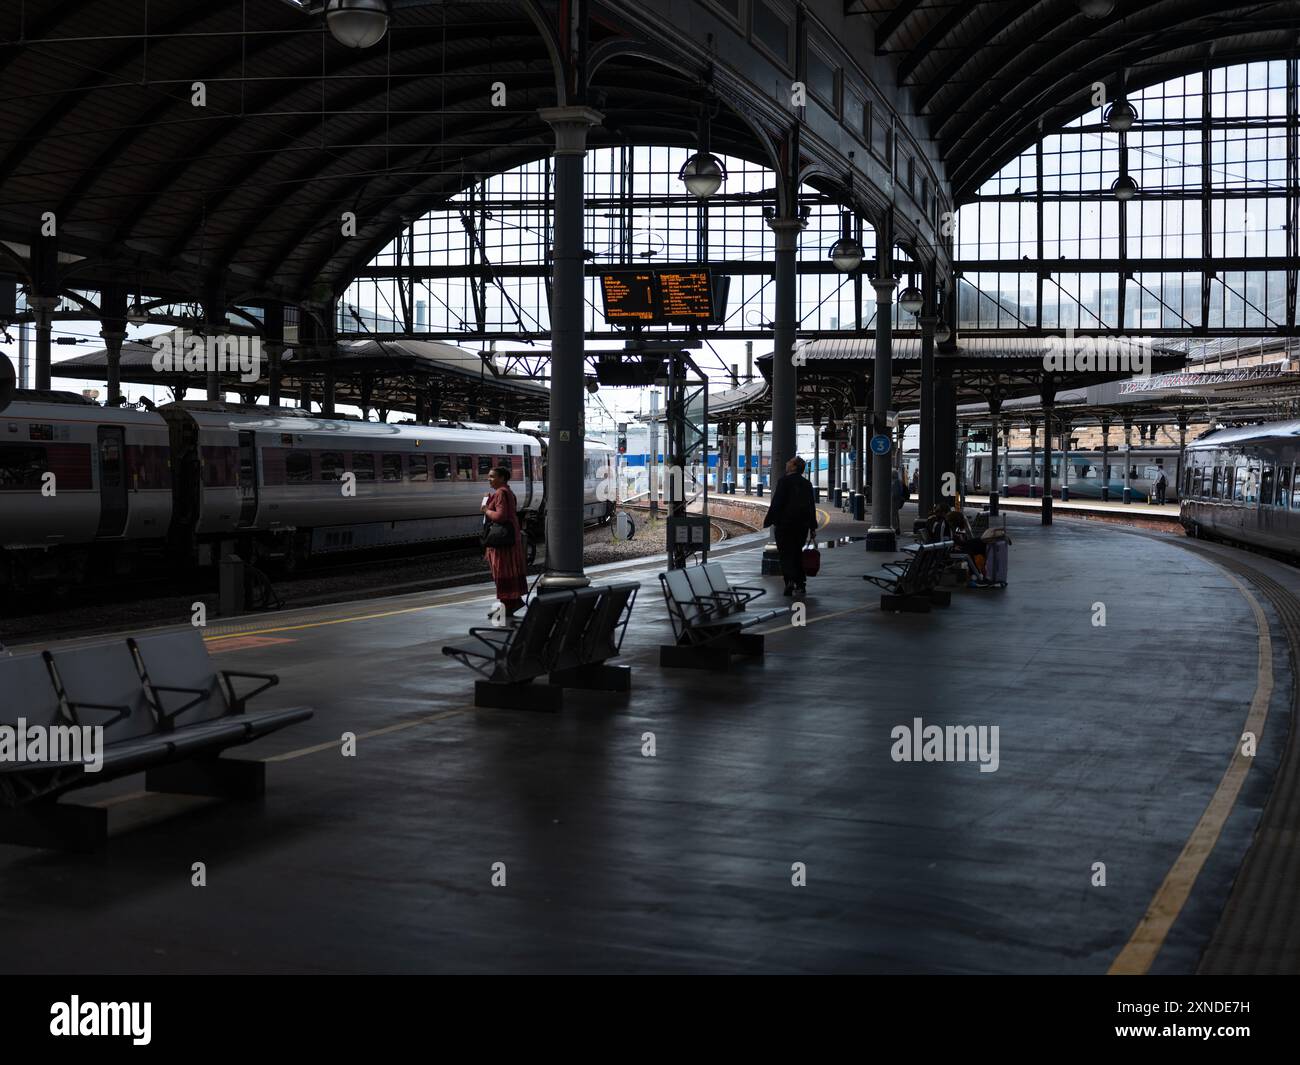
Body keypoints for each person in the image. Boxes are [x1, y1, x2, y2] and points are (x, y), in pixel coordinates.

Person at [763, 456, 818, 596]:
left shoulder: (784, 482)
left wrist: (770, 520)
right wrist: (812, 527)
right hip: (801, 526)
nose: (786, 463)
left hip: (784, 525)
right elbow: (811, 506)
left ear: (793, 466)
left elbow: (777, 503)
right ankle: (800, 583)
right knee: (797, 552)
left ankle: (789, 581)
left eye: (789, 462)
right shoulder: (807, 484)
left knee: (785, 554)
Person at [481, 466, 527, 620]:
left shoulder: (501, 492)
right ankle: (513, 602)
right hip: (510, 538)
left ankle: (507, 606)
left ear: (502, 478)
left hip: (502, 541)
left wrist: (486, 510)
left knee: (502, 573)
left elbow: (500, 516)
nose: (489, 479)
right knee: (509, 573)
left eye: (492, 476)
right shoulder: (507, 492)